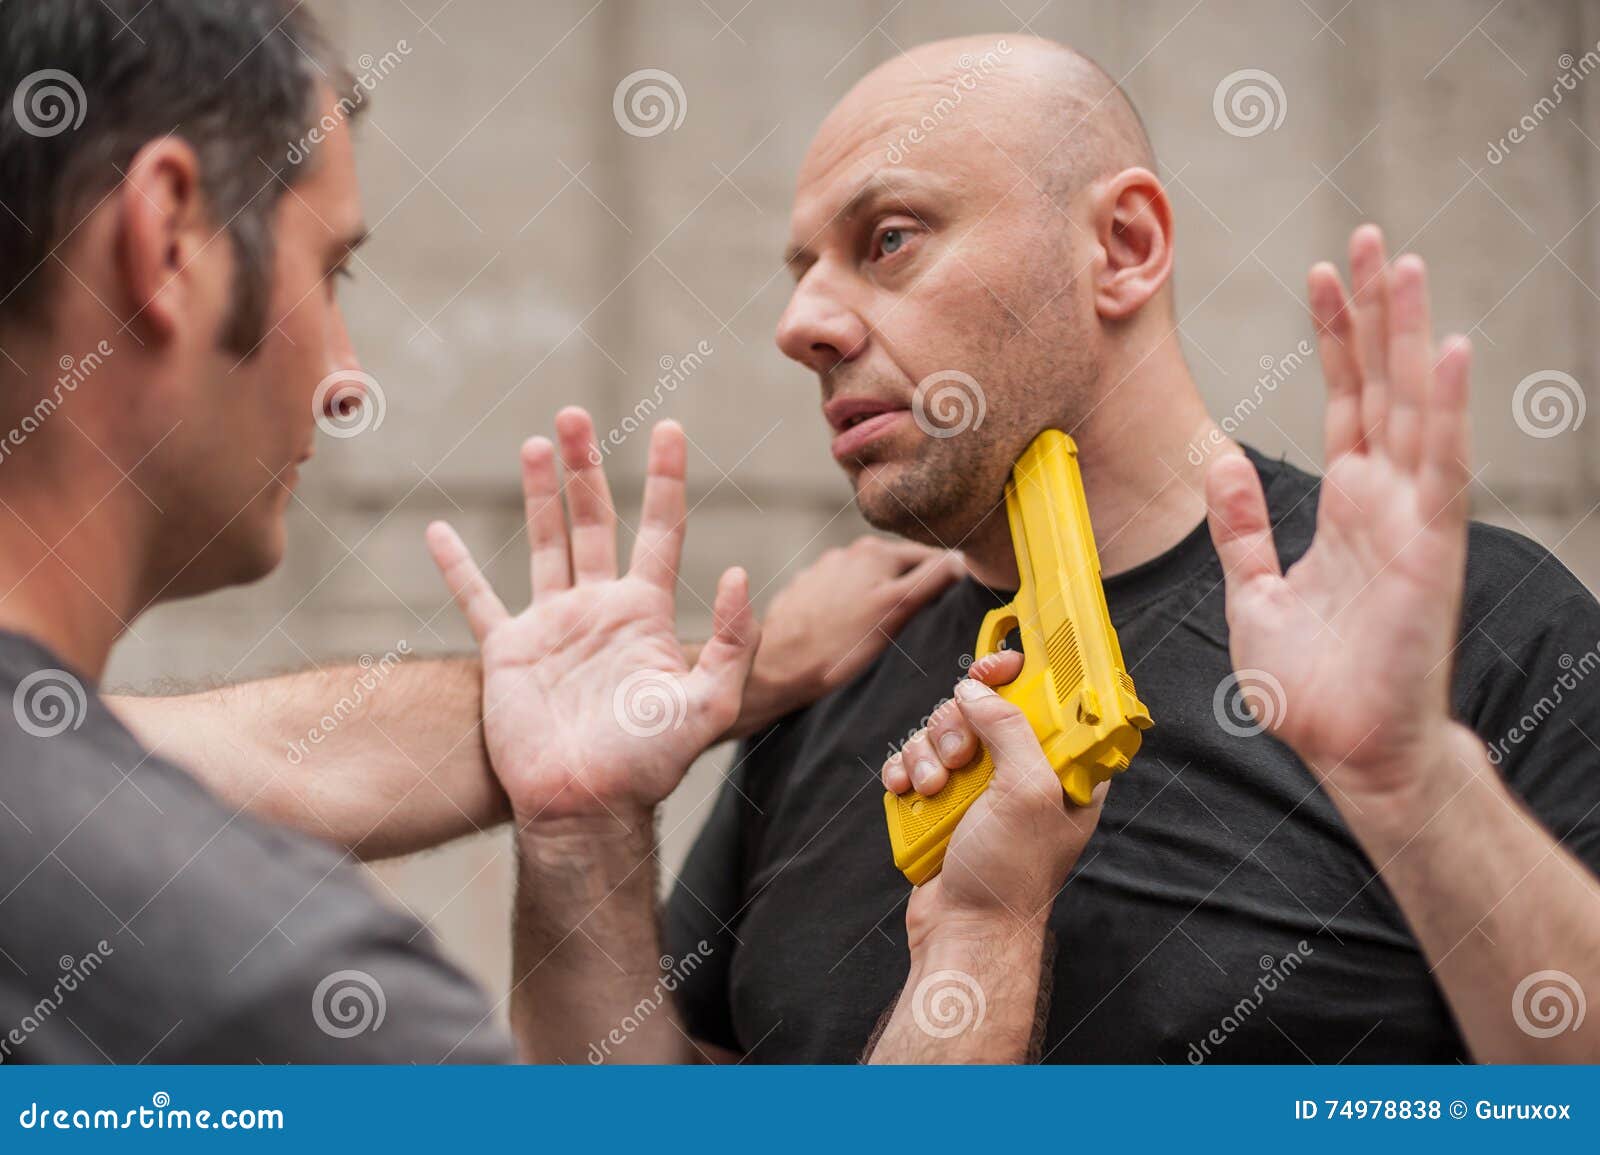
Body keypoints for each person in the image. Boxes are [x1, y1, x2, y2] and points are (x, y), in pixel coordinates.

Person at [0, 0, 980, 1064]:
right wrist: (984, 932)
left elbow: (174, 758)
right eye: (331, 271)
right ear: (167, 240)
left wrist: (687, 698)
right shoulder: (289, 1002)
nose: (346, 380)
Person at [645, 36, 1600, 1062]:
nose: (801, 325)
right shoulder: (825, 666)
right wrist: (594, 823)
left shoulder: (1481, 627)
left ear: (1124, 245)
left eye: (887, 239)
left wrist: (1411, 777)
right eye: (802, 274)